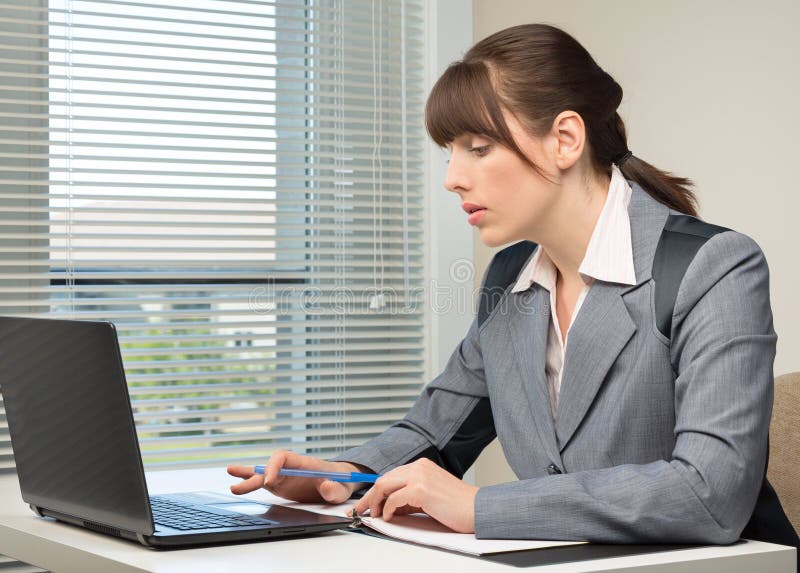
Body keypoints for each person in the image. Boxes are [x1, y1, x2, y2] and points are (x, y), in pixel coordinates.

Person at [228, 23, 799, 549]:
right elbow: (436, 431)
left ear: (566, 139)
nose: (453, 178)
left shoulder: (715, 266)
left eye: (478, 148)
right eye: (451, 153)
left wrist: (480, 506)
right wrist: (340, 476)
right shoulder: (512, 278)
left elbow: (710, 494)